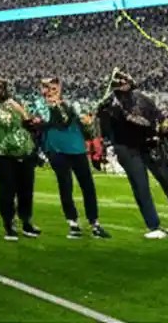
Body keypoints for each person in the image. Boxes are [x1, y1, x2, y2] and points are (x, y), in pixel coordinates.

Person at [96, 70, 168, 238]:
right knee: (141, 186)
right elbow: (131, 120)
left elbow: (160, 118)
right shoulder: (110, 105)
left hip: (149, 144)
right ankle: (153, 226)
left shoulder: (143, 100)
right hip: (127, 148)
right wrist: (158, 127)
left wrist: (167, 125)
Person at [34, 77, 109, 239]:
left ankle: (94, 222)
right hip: (56, 149)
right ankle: (73, 223)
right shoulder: (40, 105)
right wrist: (54, 106)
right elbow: (55, 121)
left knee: (88, 185)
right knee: (65, 185)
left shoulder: (71, 104)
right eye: (48, 88)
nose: (52, 91)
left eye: (54, 87)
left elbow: (82, 125)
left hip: (76, 148)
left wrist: (87, 122)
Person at [0, 79, 39, 240]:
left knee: (26, 189)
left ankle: (26, 221)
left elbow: (29, 122)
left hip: (24, 150)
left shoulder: (16, 104)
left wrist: (23, 113)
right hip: (2, 152)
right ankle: (9, 224)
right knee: (7, 189)